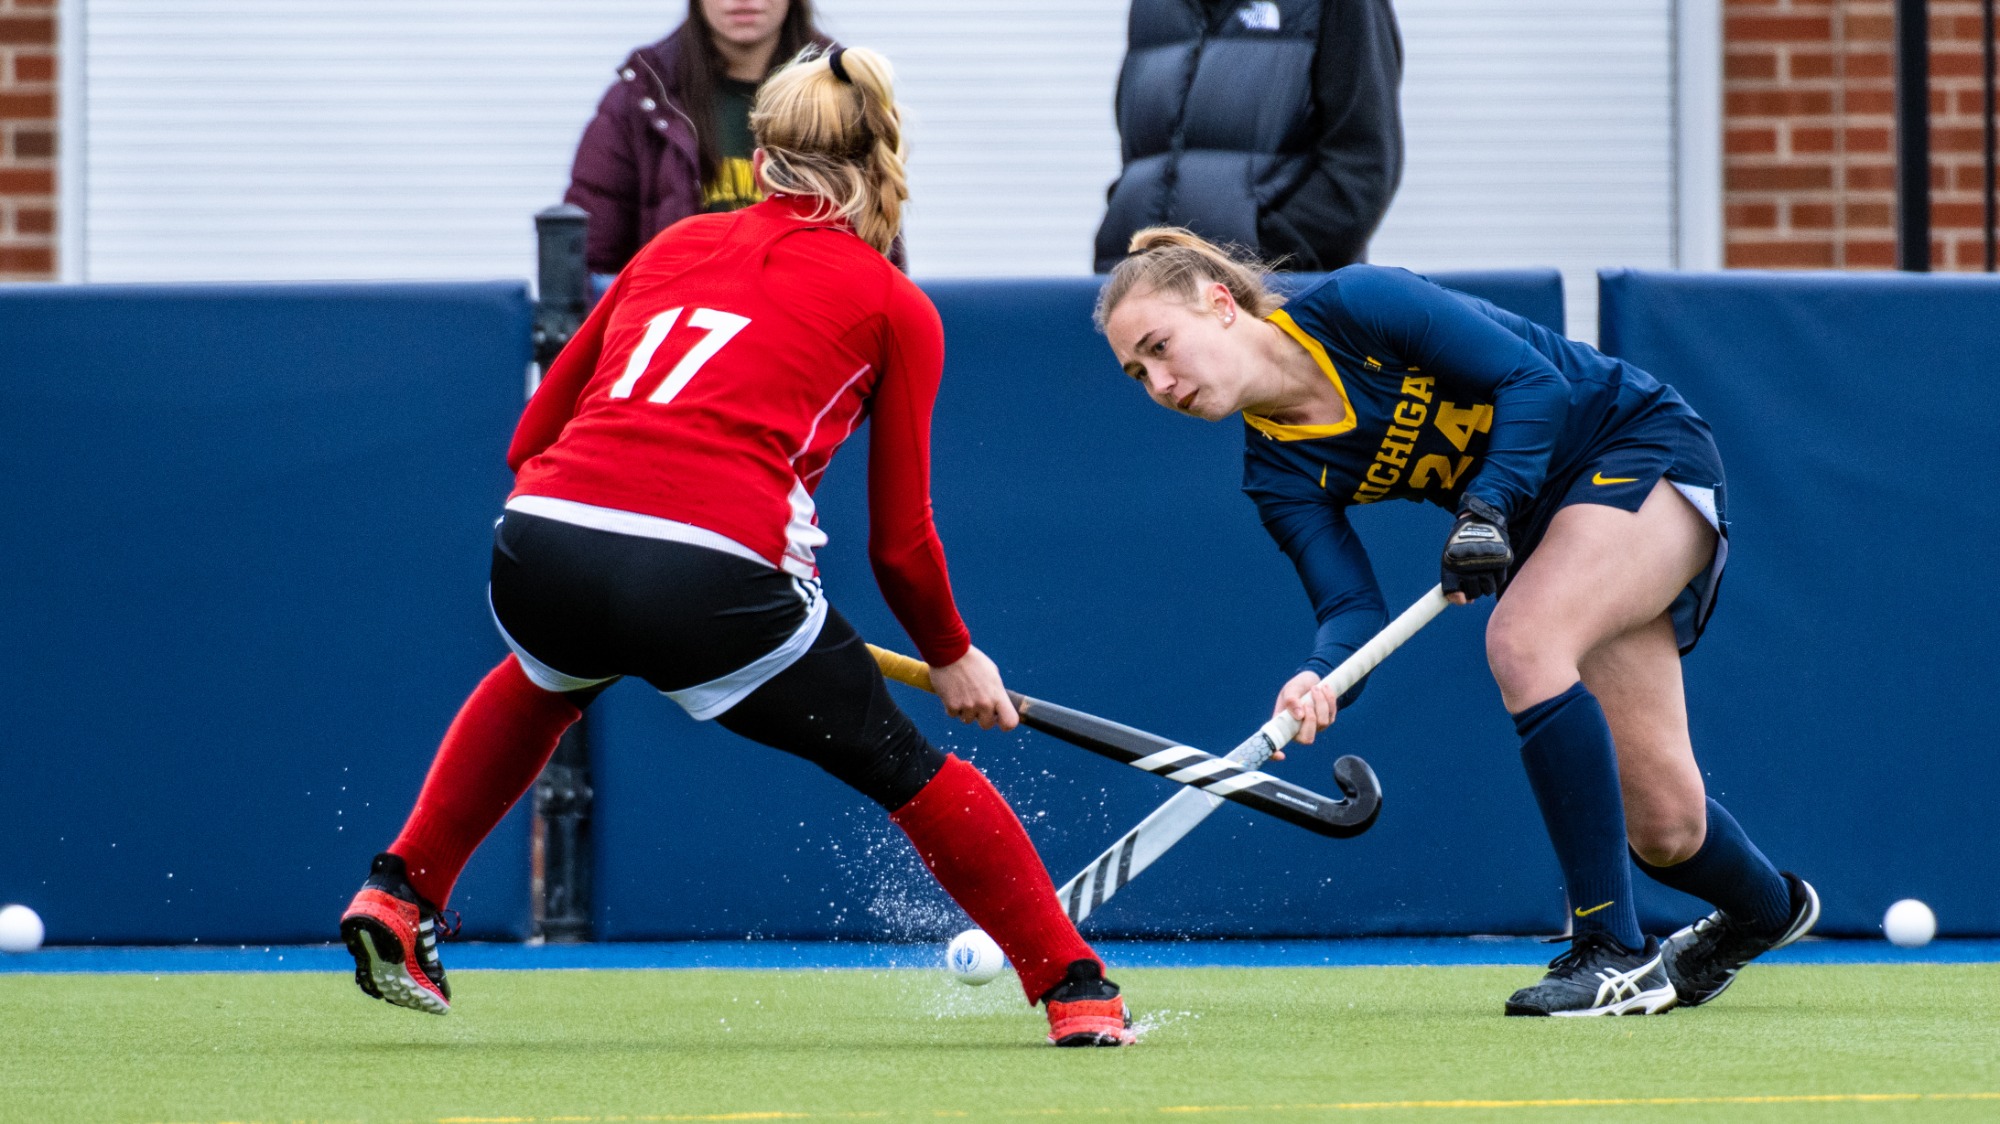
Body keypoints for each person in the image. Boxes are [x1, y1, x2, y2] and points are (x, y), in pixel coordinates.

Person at [341, 47, 1134, 1048]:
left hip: (539, 540)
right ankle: (1076, 987)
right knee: (902, 762)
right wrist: (950, 653)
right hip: (711, 571)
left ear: (759, 162)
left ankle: (399, 892)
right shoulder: (896, 306)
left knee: (551, 668)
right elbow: (900, 543)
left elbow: (527, 439)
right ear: (886, 166)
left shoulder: (666, 249)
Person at [1094, 228, 1819, 1017]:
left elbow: (1532, 381)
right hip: (1549, 525)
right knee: (1668, 831)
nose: (1160, 384)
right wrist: (1325, 676)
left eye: (1162, 347)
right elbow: (1350, 611)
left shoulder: (1359, 306)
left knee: (1522, 640)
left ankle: (1609, 949)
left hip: (1635, 446)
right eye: (1137, 373)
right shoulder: (1278, 473)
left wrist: (1485, 510)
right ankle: (1765, 911)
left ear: (1221, 304)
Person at [1092, 0, 1403, 274]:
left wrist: (1259, 255)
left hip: (1268, 303)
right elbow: (1147, 156)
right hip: (1143, 296)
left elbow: (1362, 166)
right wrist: (1125, 235)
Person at [564, 0, 832, 276]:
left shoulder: (847, 95)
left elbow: (874, 244)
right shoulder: (643, 99)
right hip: (677, 313)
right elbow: (586, 266)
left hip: (811, 312)